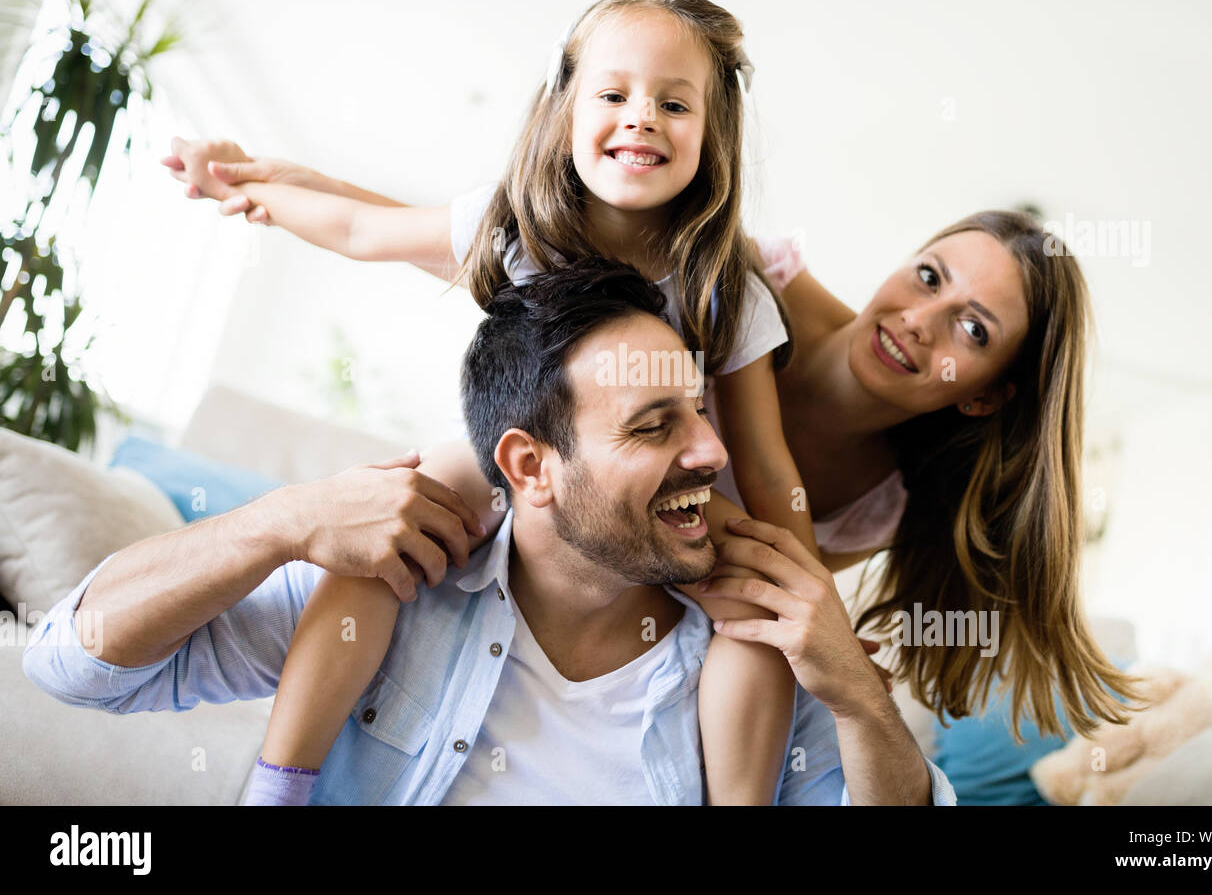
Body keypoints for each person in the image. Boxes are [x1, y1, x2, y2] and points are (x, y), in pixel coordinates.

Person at [164, 0, 816, 806]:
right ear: (565, 109)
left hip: (650, 491)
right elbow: (364, 230)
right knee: (386, 523)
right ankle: (281, 780)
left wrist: (807, 593)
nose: (642, 116)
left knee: (761, 611)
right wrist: (254, 193)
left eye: (674, 103)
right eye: (613, 94)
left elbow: (762, 457)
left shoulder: (728, 284)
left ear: (713, 131)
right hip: (511, 453)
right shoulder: (515, 224)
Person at [22, 259, 956, 805]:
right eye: (653, 424)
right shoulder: (396, 597)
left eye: (698, 412)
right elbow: (71, 661)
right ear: (528, 467)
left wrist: (862, 703)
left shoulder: (750, 660)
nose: (713, 451)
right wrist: (282, 521)